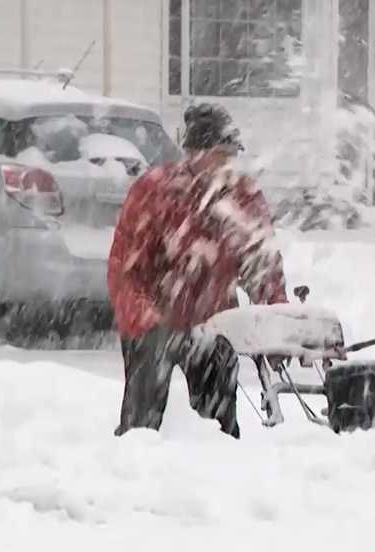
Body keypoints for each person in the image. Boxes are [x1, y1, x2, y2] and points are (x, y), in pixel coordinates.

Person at [107, 103, 288, 438]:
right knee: (143, 417)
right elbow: (125, 271)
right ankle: (136, 459)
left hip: (213, 319)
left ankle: (219, 465)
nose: (227, 165)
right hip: (153, 318)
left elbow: (262, 266)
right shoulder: (155, 192)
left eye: (232, 155)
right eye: (220, 155)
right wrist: (147, 322)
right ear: (193, 154)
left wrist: (276, 322)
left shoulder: (242, 196)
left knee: (218, 422)